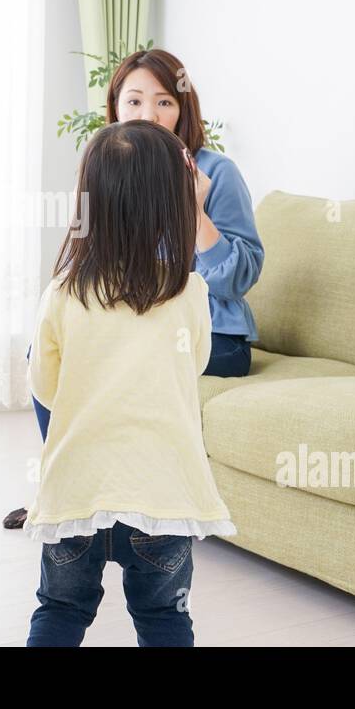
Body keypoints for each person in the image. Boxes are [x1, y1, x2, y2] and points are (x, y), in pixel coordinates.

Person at [4, 48, 264, 528]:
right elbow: (90, 261)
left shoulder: (216, 173)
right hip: (127, 320)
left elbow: (239, 276)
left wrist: (194, 210)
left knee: (122, 362)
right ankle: (63, 488)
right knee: (42, 353)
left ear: (185, 108)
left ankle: (132, 501)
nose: (150, 115)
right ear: (116, 109)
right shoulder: (111, 167)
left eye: (165, 102)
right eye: (135, 102)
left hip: (216, 335)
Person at [23, 119, 236, 646]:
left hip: (77, 492)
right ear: (173, 204)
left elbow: (45, 386)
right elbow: (196, 364)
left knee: (61, 610)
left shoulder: (64, 293)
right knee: (164, 617)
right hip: (163, 494)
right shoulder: (190, 293)